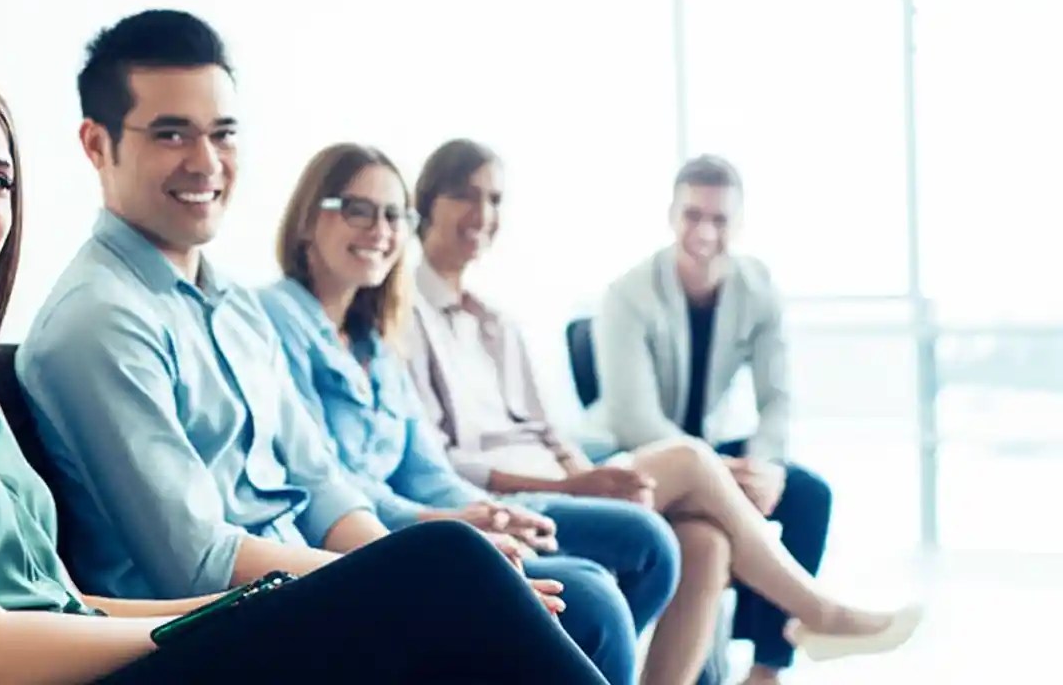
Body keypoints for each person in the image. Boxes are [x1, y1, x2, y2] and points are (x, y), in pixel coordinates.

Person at [0, 60, 608, 685]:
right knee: (444, 567)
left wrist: (282, 602)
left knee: (445, 581)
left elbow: (71, 605)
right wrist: (273, 607)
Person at [409, 140, 923, 683]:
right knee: (691, 461)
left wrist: (580, 474)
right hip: (512, 495)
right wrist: (578, 485)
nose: (483, 214)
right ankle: (818, 613)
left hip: (567, 475)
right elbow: (442, 459)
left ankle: (773, 661)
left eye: (494, 199)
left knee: (707, 541)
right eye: (464, 195)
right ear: (425, 206)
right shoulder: (407, 317)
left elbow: (548, 431)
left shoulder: (497, 321)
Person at [259, 142, 681, 685]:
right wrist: (445, 523)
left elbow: (425, 466)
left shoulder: (375, 338)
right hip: (365, 539)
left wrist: (485, 512)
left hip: (436, 519)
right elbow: (329, 481)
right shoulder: (277, 319)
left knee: (646, 545)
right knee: (591, 598)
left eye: (392, 215)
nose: (380, 230)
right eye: (358, 210)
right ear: (307, 220)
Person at [591, 155, 841, 683]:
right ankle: (819, 613)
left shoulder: (758, 288)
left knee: (807, 495)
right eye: (692, 215)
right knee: (709, 518)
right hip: (639, 453)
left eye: (719, 219)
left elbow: (778, 398)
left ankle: (767, 670)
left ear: (739, 224)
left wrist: (764, 464)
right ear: (671, 216)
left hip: (718, 447)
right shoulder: (627, 294)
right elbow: (633, 417)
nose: (704, 232)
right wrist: (711, 475)